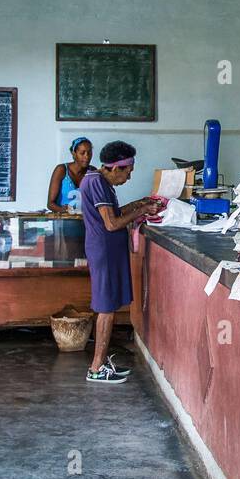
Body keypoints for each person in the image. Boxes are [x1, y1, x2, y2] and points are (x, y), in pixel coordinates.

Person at [79, 140, 161, 383]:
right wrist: (142, 212)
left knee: (110, 307)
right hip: (103, 252)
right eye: (127, 172)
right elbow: (111, 223)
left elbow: (114, 214)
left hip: (108, 251)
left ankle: (102, 364)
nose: (128, 178)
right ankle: (96, 369)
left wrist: (139, 204)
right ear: (115, 168)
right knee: (106, 310)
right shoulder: (95, 182)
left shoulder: (100, 182)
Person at [47, 137, 94, 213]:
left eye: (89, 153)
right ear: (74, 153)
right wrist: (65, 210)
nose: (87, 156)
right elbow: (50, 204)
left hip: (85, 222)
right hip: (63, 222)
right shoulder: (61, 170)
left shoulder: (92, 171)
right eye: (82, 153)